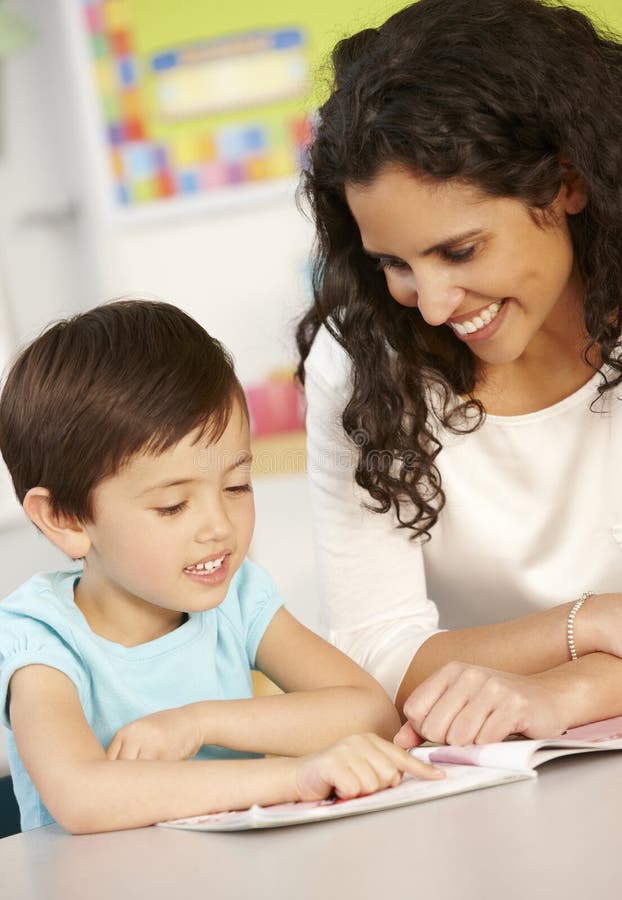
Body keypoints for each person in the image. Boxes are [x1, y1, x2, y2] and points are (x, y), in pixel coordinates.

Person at [296, 0, 622, 750]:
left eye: (461, 251)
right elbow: (377, 660)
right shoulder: (362, 365)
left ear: (565, 184)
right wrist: (595, 621)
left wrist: (561, 690)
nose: (433, 306)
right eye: (394, 265)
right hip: (499, 776)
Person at [0, 299, 442, 834]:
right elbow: (82, 795)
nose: (219, 526)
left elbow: (370, 713)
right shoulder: (39, 636)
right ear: (66, 518)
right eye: (172, 506)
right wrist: (293, 778)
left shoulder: (238, 595)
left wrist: (199, 723)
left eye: (237, 486)